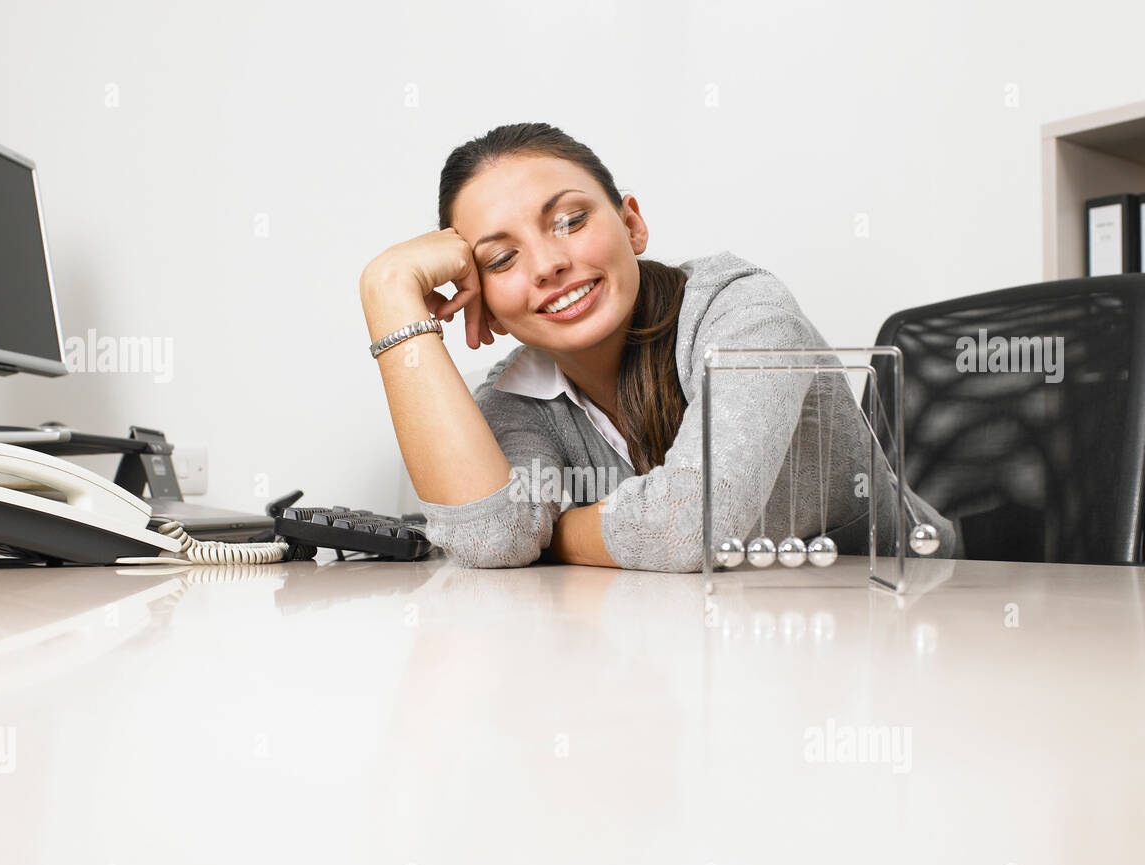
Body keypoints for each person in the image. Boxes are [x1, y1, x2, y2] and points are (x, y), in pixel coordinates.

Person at [359, 122, 958, 571]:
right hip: (727, 643)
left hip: (926, 616)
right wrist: (388, 294)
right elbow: (491, 539)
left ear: (632, 224)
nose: (549, 264)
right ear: (483, 301)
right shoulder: (519, 397)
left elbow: (692, 522)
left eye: (569, 220)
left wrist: (557, 531)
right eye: (503, 258)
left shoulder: (742, 309)